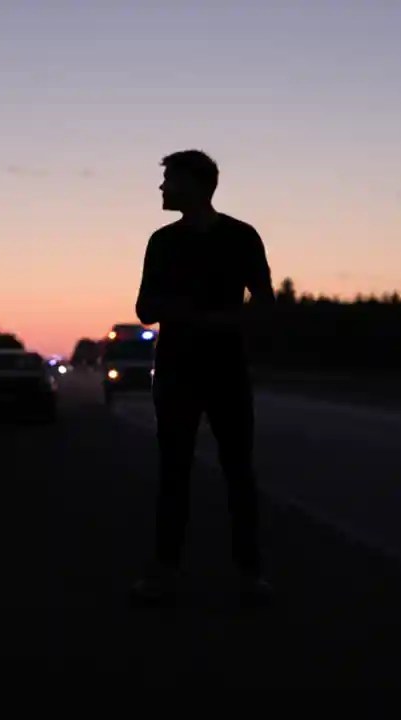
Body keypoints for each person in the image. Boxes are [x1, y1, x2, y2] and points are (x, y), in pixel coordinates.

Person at [129, 149, 276, 606]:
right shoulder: (162, 242)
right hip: (176, 371)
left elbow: (266, 303)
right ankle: (165, 572)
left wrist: (220, 321)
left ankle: (249, 575)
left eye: (169, 180)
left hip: (227, 369)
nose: (162, 188)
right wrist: (186, 312)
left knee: (239, 472)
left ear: (195, 185)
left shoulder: (241, 236)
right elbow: (144, 308)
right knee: (173, 471)